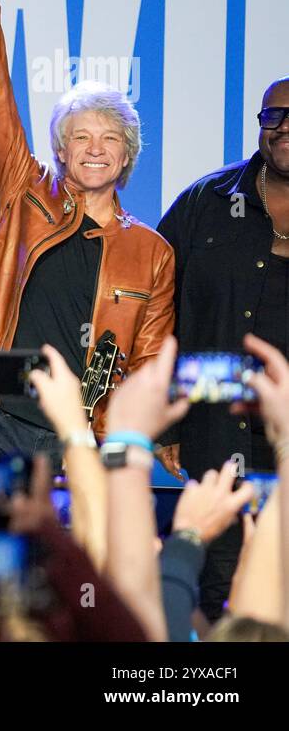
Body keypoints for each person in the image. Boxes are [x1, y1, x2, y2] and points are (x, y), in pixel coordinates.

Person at [0, 0, 174, 464]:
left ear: (127, 154)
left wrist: (116, 441)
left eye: (110, 138)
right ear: (61, 150)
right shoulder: (27, 193)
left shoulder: (151, 252)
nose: (95, 149)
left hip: (80, 439)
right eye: (80, 137)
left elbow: (150, 361)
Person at [154, 75, 289, 619]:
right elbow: (155, 311)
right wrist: (165, 423)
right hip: (215, 437)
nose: (285, 127)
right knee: (217, 596)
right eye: (273, 115)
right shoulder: (206, 202)